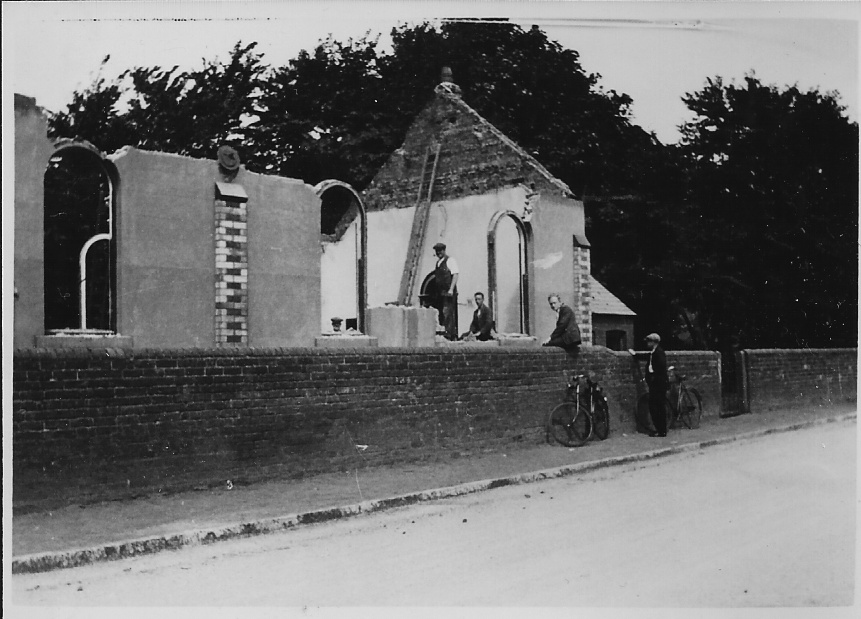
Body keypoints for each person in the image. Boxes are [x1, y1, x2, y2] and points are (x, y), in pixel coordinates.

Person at [629, 333, 670, 437]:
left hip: (658, 384)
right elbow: (646, 356)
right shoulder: (654, 352)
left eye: (649, 341)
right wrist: (634, 354)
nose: (647, 343)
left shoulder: (659, 353)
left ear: (654, 342)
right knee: (655, 406)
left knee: (657, 407)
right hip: (655, 384)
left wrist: (652, 375)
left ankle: (662, 431)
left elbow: (660, 367)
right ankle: (660, 430)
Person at [433, 242, 459, 340]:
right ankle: (444, 332)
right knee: (441, 313)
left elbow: (455, 274)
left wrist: (451, 289)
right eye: (437, 251)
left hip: (448, 292)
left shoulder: (450, 260)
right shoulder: (438, 263)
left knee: (447, 312)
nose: (438, 253)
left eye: (440, 250)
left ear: (444, 250)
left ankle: (450, 335)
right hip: (440, 292)